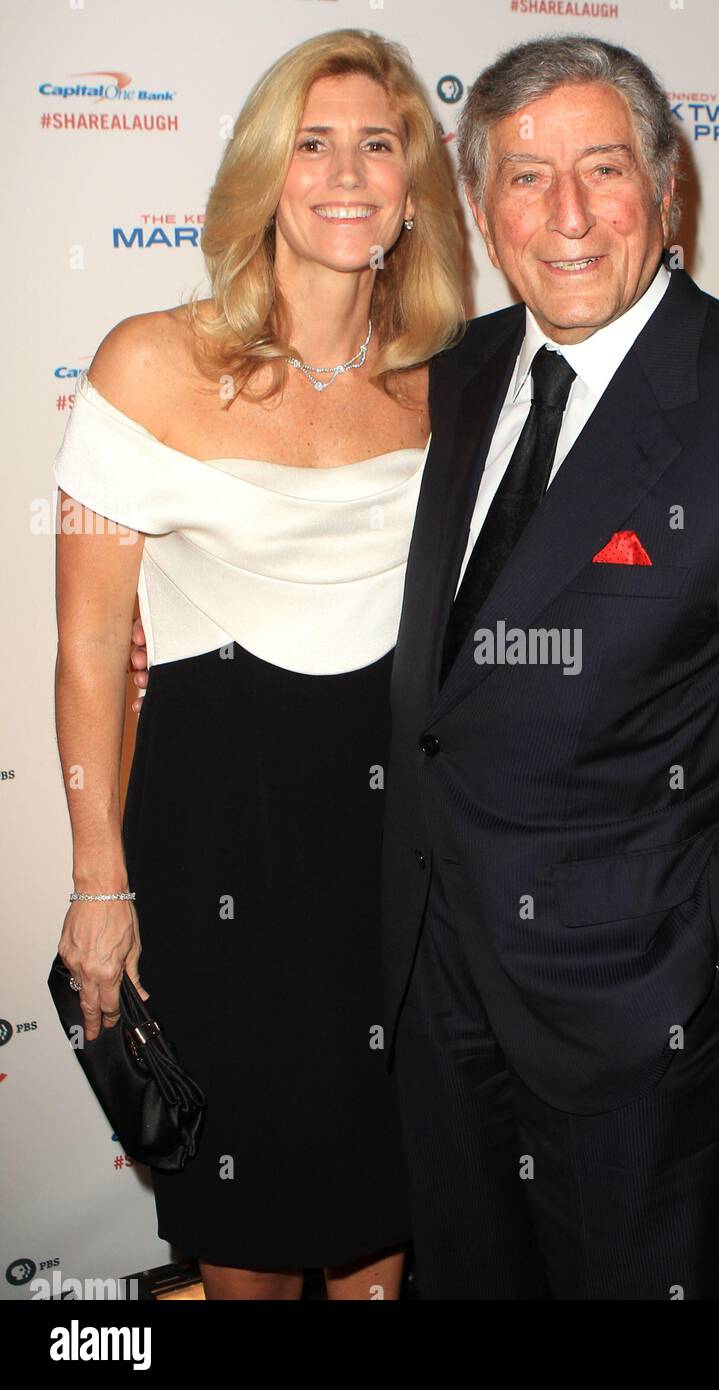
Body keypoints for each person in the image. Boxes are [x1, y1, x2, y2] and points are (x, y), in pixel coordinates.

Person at [378, 35, 719, 1299]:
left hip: (631, 1001)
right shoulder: (457, 377)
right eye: (525, 176)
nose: (565, 216)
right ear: (483, 206)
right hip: (436, 974)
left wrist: (694, 966)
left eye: (602, 169)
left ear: (667, 191)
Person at [53, 28, 463, 1300]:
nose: (347, 173)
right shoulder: (146, 363)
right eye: (313, 143)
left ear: (411, 186)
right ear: (261, 174)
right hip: (218, 837)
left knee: (385, 1190)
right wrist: (99, 883)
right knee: (244, 1214)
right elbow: (82, 653)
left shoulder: (449, 380)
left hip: (395, 852)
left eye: (378, 144)